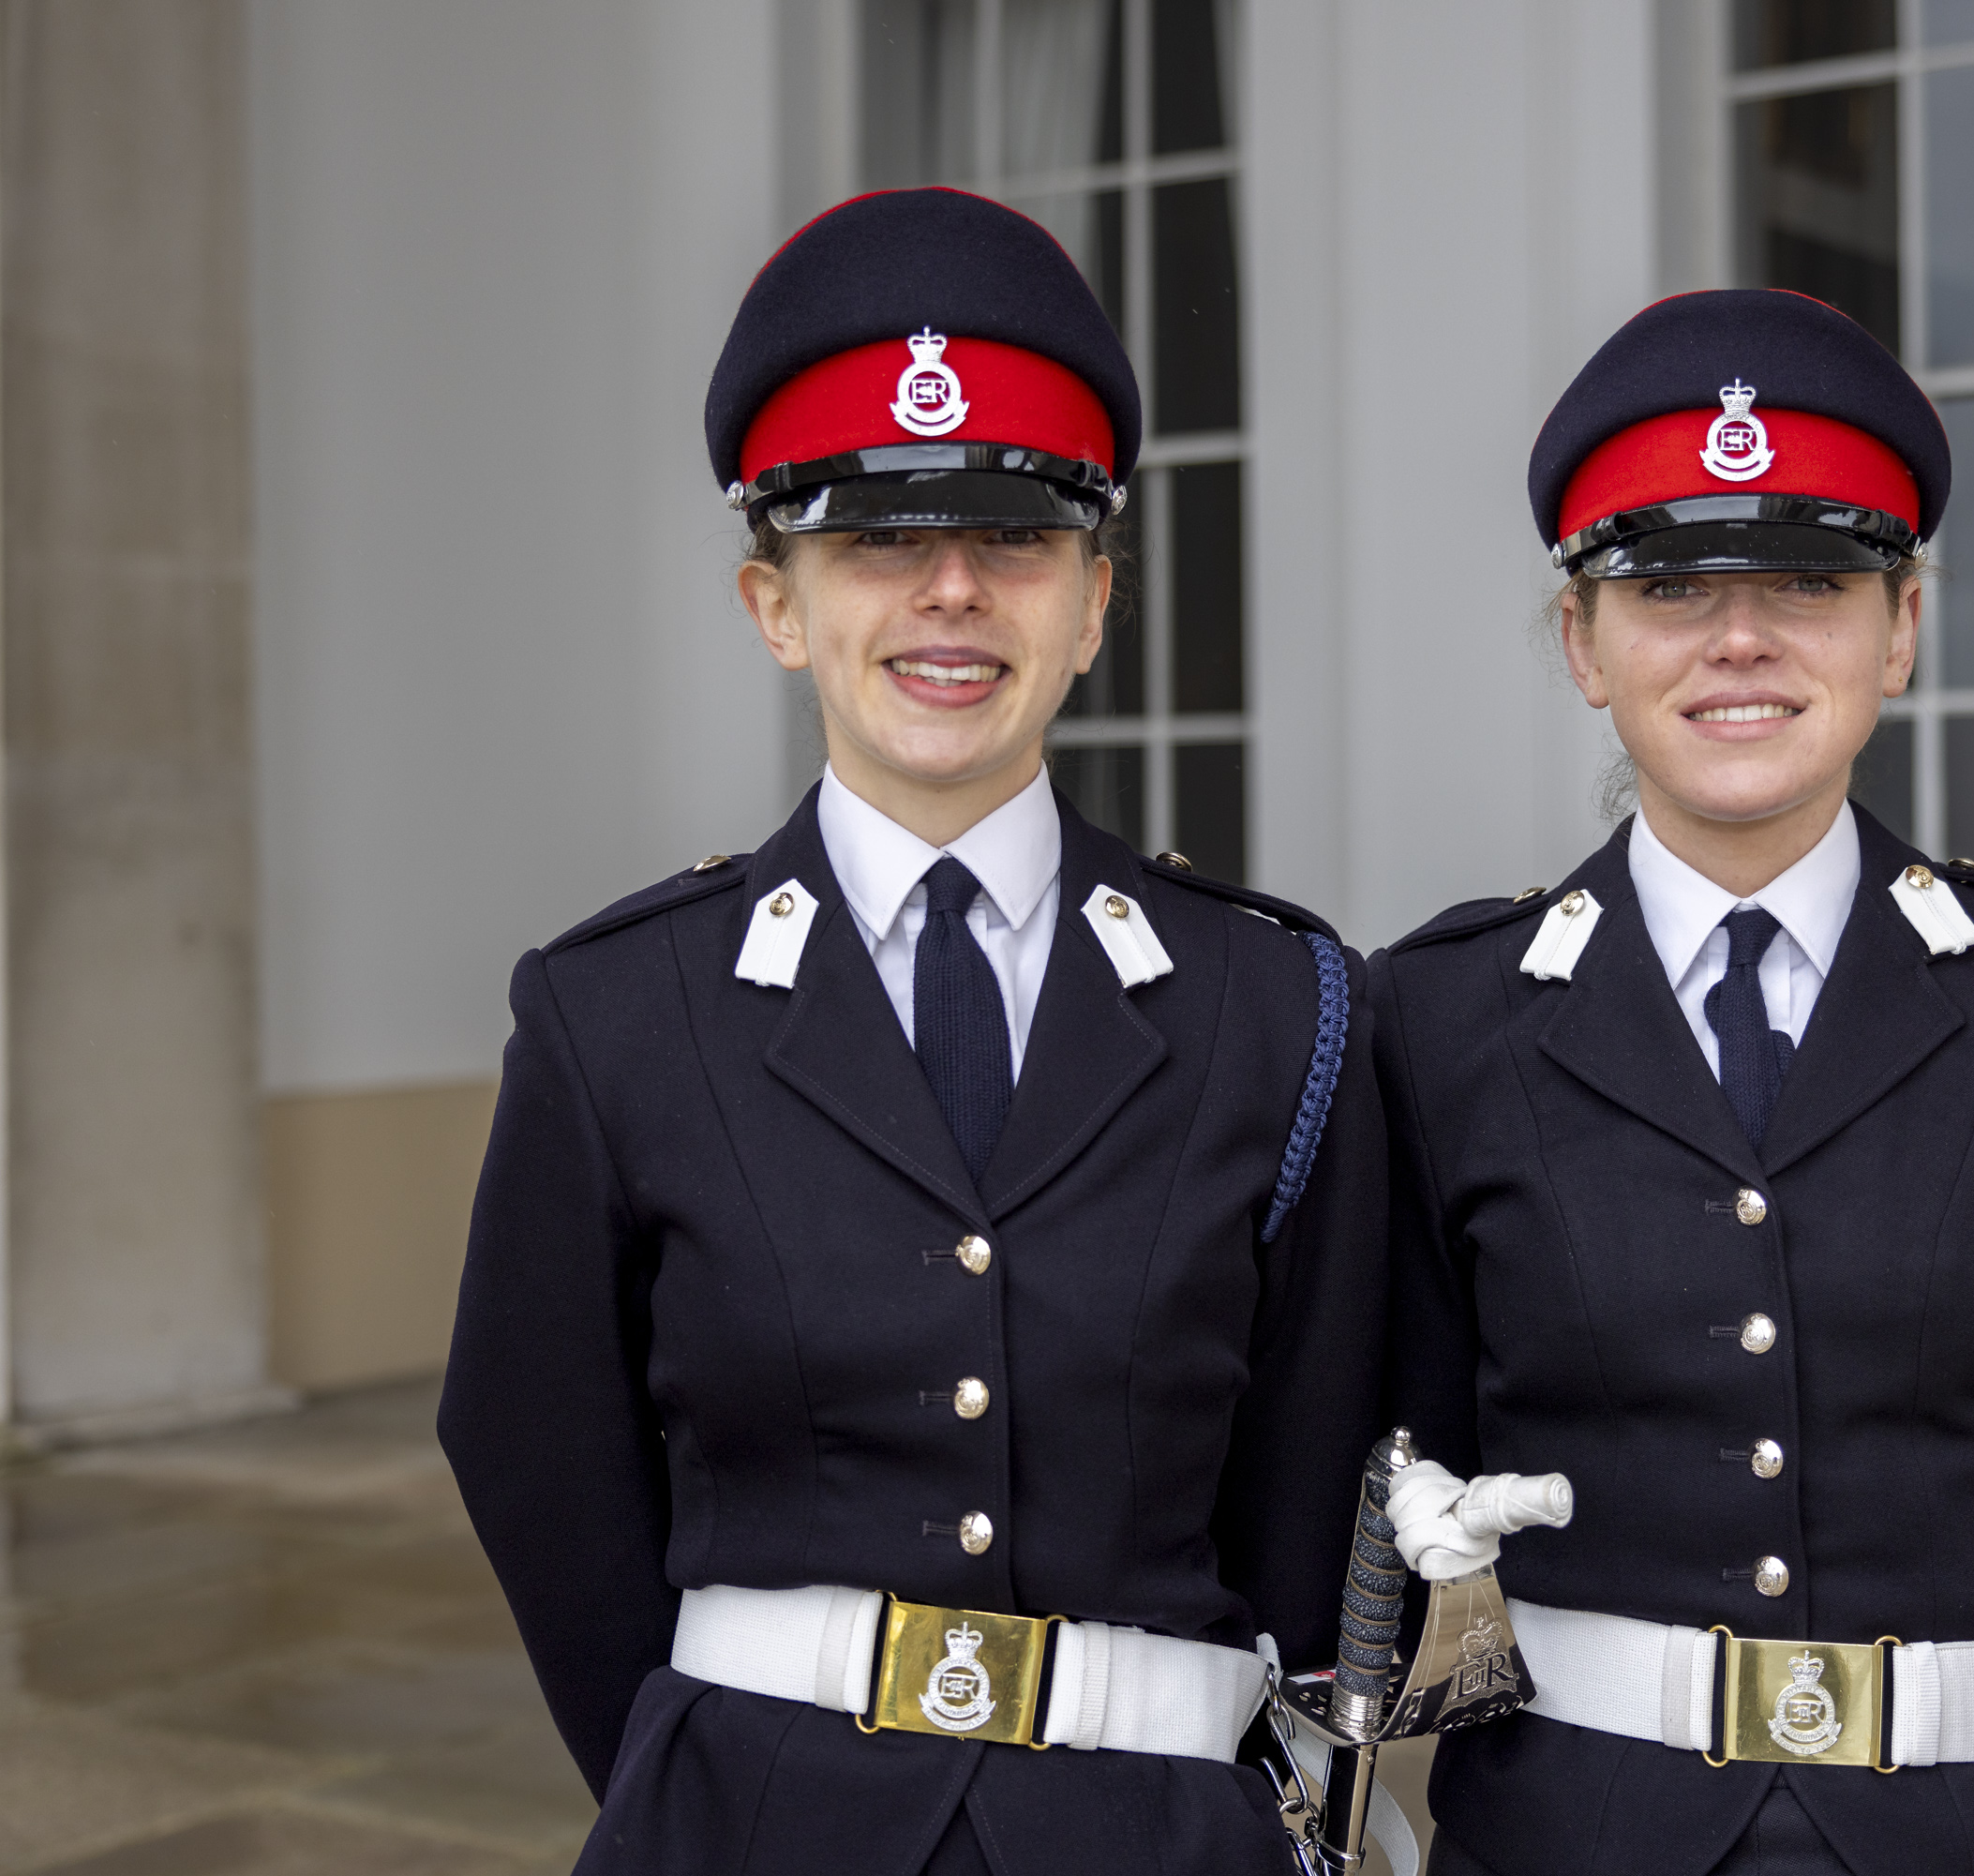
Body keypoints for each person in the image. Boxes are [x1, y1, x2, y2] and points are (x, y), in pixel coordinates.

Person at [438, 188, 1383, 1875]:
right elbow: (532, 1447)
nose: (952, 594)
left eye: (1017, 539)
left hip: (1158, 1833)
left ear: (1094, 605)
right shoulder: (613, 1011)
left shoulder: (1279, 1003)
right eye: (878, 539)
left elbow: (1309, 1476)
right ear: (775, 605)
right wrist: (688, 1762)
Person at [1367, 289, 1974, 1875]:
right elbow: (1392, 1463)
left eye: (1811, 581)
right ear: (1583, 641)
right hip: (1575, 1835)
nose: (1742, 639)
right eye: (1671, 584)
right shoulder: (1441, 1017)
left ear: (1899, 627)